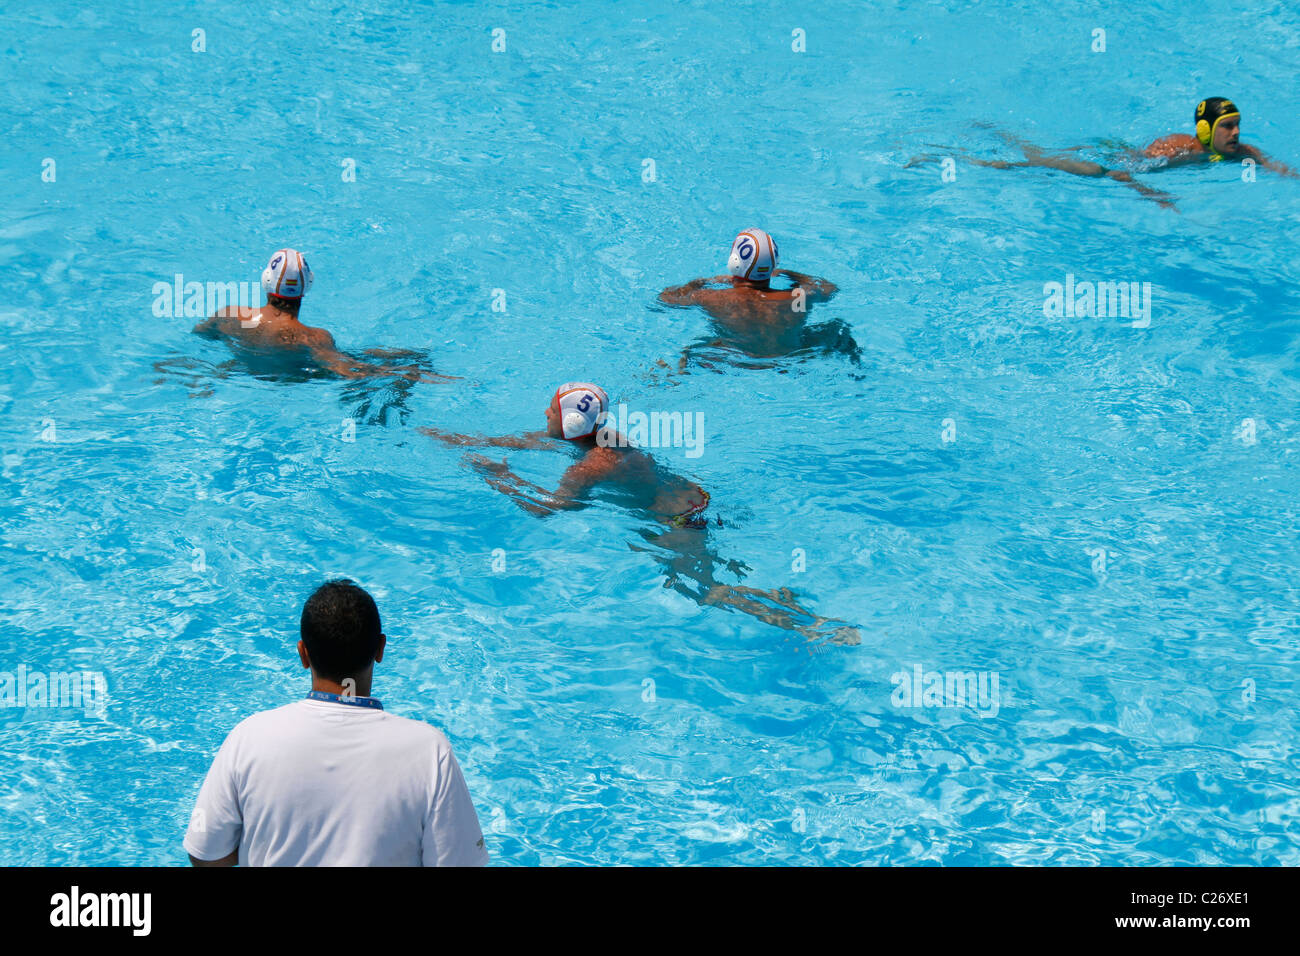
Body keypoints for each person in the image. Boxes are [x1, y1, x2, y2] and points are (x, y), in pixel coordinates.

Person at [421, 383, 861, 644]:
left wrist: (498, 477)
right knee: (715, 571)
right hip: (695, 502)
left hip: (676, 525)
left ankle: (808, 625)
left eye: (550, 409)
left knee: (705, 591)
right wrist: (462, 440)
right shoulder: (606, 437)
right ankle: (777, 598)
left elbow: (549, 510)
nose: (544, 413)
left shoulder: (589, 468)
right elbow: (536, 440)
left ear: (569, 424)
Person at [183, 579, 489, 866]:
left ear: (303, 654)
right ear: (380, 649)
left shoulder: (249, 738)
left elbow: (206, 854)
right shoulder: (429, 751)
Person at [191, 249, 455, 381]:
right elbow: (351, 372)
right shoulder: (312, 338)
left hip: (246, 373)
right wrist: (405, 375)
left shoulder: (229, 316)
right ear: (308, 285)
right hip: (294, 378)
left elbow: (199, 336)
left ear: (265, 280)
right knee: (402, 359)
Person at [658, 230, 856, 369]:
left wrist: (702, 281)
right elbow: (829, 288)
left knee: (689, 350)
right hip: (791, 358)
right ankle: (857, 371)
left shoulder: (711, 297)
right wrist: (789, 273)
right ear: (774, 264)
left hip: (737, 359)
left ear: (734, 262)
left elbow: (666, 298)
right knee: (837, 327)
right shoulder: (799, 296)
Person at [1143, 97, 1295, 175]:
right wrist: (1154, 195)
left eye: (1237, 124)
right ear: (1206, 130)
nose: (1236, 132)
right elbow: (1130, 172)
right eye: (1228, 126)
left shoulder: (1244, 152)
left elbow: (1282, 170)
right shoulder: (1176, 149)